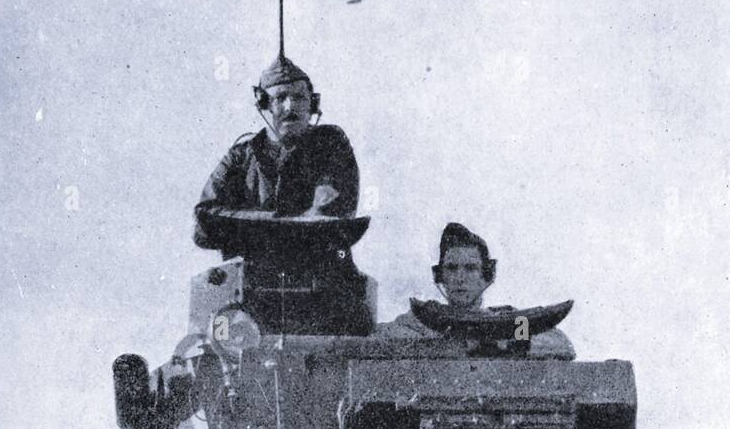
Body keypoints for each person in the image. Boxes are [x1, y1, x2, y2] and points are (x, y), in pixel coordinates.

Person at [193, 53, 360, 254]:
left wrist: (247, 226)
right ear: (265, 105)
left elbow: (326, 218)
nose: (290, 107)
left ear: (312, 105)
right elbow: (204, 222)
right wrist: (273, 221)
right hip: (250, 272)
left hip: (318, 268)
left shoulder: (330, 146)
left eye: (299, 97)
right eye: (280, 98)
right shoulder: (240, 157)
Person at [381, 222, 576, 357]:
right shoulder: (423, 322)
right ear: (440, 277)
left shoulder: (508, 320)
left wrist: (501, 341)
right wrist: (448, 344)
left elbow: (561, 344)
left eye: (470, 268)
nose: (460, 277)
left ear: (487, 277)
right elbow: (383, 338)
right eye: (451, 268)